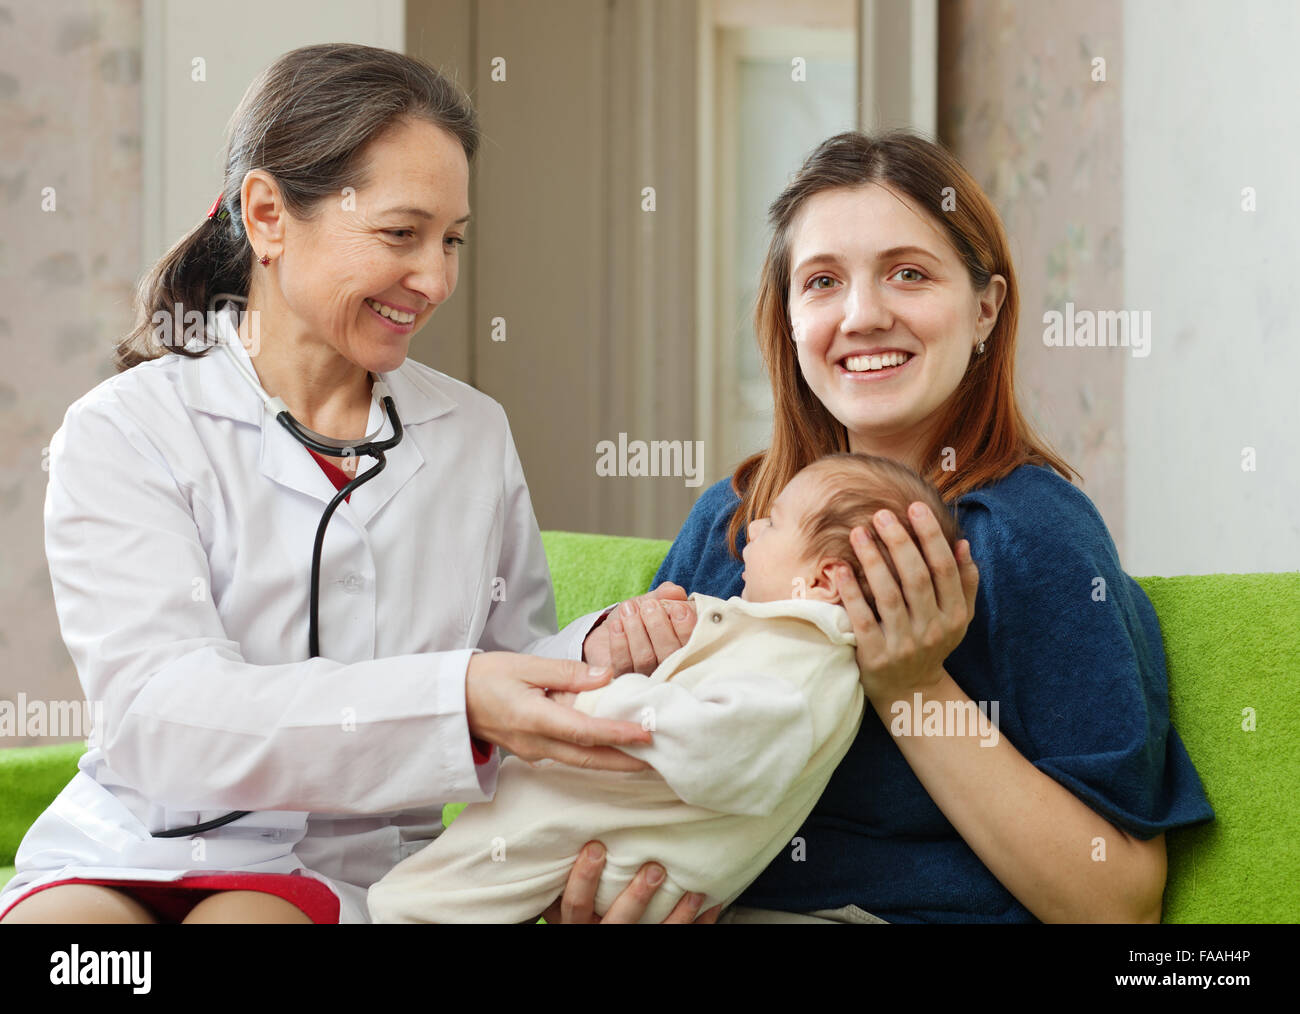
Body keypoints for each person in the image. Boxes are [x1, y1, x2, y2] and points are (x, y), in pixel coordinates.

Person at [0, 43, 713, 926]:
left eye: (450, 240)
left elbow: (516, 661)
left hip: (345, 869)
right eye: (400, 234)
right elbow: (160, 717)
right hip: (128, 842)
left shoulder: (471, 435)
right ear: (267, 215)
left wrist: (596, 649)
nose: (438, 279)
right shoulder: (125, 430)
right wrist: (454, 696)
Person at [571, 130, 1215, 923]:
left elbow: (1116, 904)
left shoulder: (1035, 536)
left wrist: (910, 685)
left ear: (985, 308)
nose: (863, 315)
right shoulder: (734, 521)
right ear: (789, 319)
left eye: (908, 274)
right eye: (822, 282)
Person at [368, 453, 963, 924]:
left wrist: (596, 703)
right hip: (600, 836)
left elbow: (725, 746)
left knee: (414, 902)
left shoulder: (809, 663)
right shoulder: (772, 630)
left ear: (824, 578)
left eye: (775, 520)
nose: (751, 526)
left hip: (617, 848)